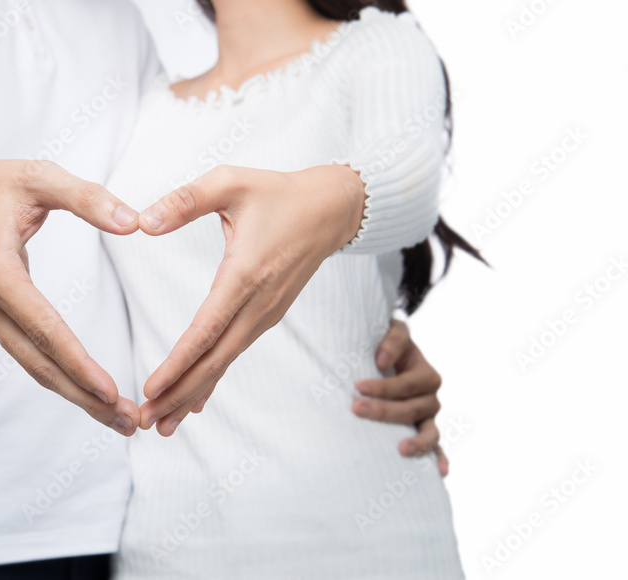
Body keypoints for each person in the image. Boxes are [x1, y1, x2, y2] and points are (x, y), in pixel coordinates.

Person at [0, 1, 452, 578]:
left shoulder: (150, 29)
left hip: (132, 527)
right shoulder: (162, 95)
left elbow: (402, 173)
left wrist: (349, 322)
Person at [98, 1, 479, 577]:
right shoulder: (141, 105)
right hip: (171, 548)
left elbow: (408, 180)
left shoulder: (378, 48)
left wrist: (333, 204)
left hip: (366, 539)